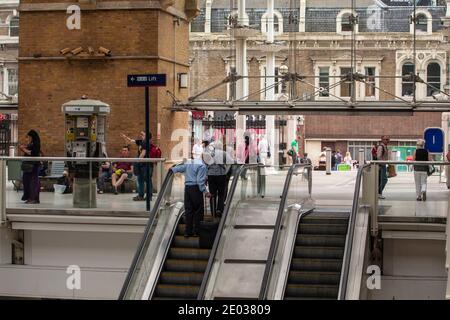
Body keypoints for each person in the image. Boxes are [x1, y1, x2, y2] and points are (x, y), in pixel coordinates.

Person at [171, 154, 211, 237]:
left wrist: (172, 169)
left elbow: (180, 168)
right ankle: (196, 231)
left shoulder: (190, 163)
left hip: (187, 188)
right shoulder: (202, 166)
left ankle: (187, 231)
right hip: (195, 189)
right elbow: (200, 181)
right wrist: (206, 191)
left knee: (188, 210)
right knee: (198, 210)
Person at [204, 141, 233, 217]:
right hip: (221, 175)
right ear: (220, 146)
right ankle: (220, 210)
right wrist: (226, 170)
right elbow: (231, 162)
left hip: (211, 176)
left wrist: (206, 174)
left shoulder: (209, 153)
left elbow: (205, 164)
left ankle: (213, 212)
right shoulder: (224, 153)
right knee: (221, 194)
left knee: (212, 194)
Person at [19, 130, 41, 204]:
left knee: (33, 183)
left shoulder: (36, 144)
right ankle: (29, 197)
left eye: (29, 137)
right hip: (29, 166)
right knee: (26, 181)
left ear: (32, 136)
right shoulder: (32, 143)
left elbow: (33, 152)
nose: (28, 138)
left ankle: (33, 198)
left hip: (33, 166)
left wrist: (23, 149)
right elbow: (30, 148)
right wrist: (25, 147)